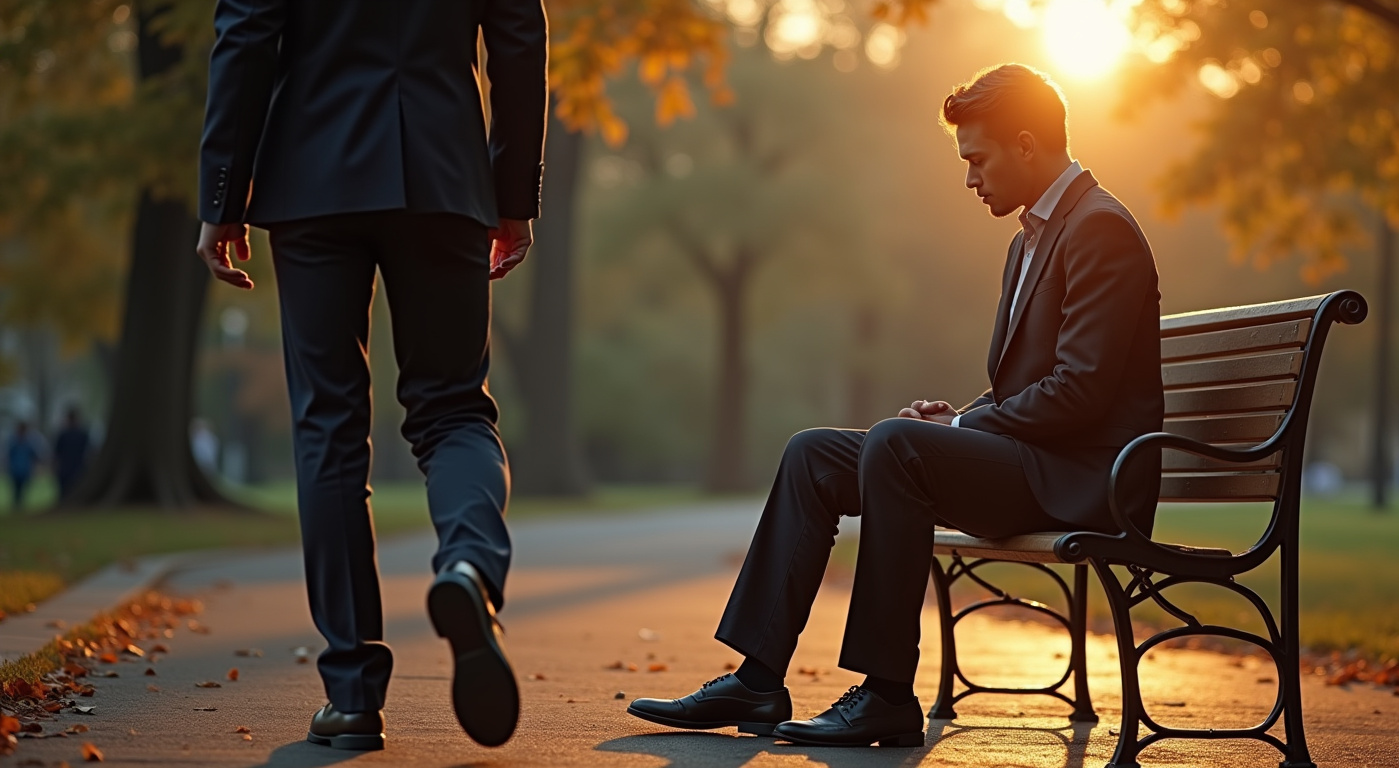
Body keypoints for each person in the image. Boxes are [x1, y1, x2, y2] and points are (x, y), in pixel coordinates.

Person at [626, 64, 1165, 748]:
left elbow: (1082, 392)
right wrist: (959, 417)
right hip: (1035, 463)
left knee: (894, 443)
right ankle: (757, 679)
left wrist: (963, 427)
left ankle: (885, 694)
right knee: (813, 452)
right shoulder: (1031, 238)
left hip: (1085, 484)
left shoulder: (1100, 230)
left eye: (978, 159)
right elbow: (1030, 388)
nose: (970, 177)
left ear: (1027, 144)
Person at [194, 0, 548, 750]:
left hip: (314, 178)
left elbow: (247, 34)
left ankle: (352, 692)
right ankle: (469, 567)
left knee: (328, 426)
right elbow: (519, 35)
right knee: (453, 409)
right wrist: (512, 195)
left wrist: (222, 197)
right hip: (444, 175)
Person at [6, 421, 47, 511]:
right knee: (16, 489)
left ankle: (19, 506)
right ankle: (16, 506)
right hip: (16, 470)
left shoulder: (28, 443)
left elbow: (35, 455)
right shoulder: (14, 442)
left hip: (24, 470)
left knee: (22, 490)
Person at [52, 408, 91, 500]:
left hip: (69, 468)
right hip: (76, 468)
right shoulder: (82, 434)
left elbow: (57, 453)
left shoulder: (64, 434)